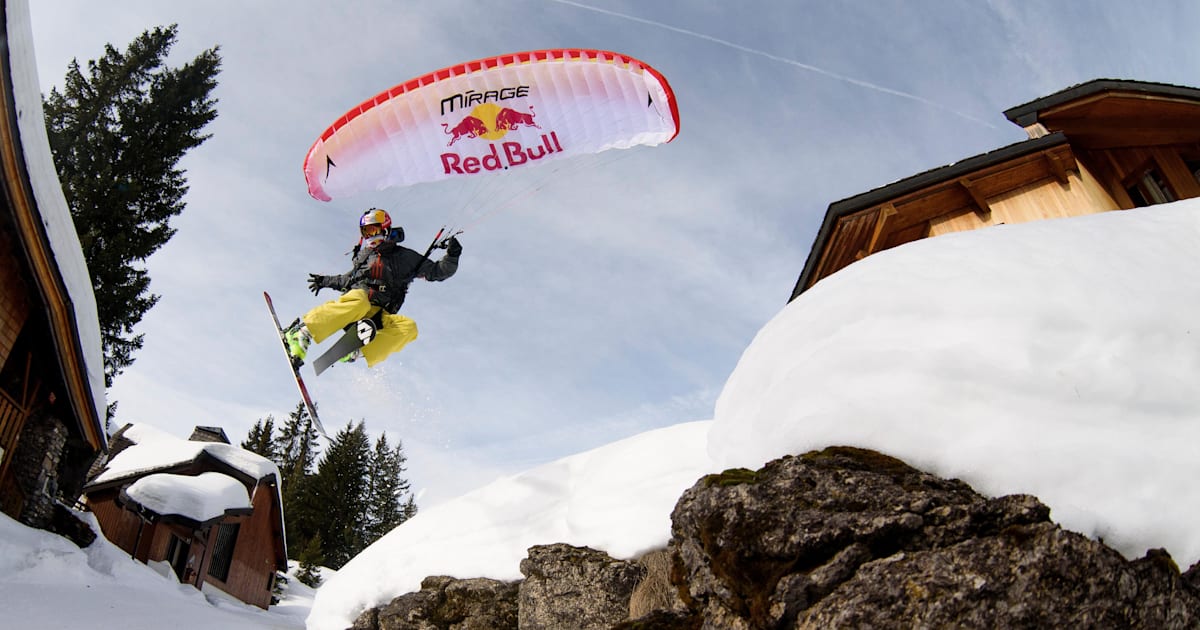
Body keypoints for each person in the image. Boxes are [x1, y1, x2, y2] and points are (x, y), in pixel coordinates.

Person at [284, 208, 461, 367]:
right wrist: (325, 281)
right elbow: (348, 279)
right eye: (365, 232)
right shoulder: (365, 255)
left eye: (372, 230)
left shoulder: (406, 258)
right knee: (360, 302)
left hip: (378, 315)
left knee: (409, 327)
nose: (369, 236)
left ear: (385, 229)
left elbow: (438, 271)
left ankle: (356, 352)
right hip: (358, 304)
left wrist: (452, 256)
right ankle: (302, 331)